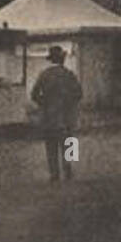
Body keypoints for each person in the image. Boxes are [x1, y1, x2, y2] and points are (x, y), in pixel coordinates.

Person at [31, 45, 82, 183]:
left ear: (50, 60)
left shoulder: (44, 75)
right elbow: (79, 93)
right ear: (62, 59)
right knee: (69, 142)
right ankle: (68, 170)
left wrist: (45, 104)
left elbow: (34, 94)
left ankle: (54, 174)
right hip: (66, 115)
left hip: (49, 116)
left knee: (51, 145)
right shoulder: (69, 74)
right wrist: (69, 103)